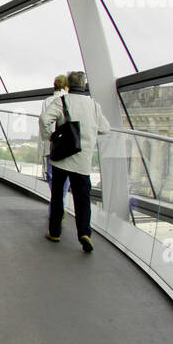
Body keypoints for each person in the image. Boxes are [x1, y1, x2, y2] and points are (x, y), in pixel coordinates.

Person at [40, 71, 110, 253]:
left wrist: (50, 136)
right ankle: (84, 233)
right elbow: (105, 128)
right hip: (83, 161)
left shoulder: (62, 101)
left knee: (57, 196)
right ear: (84, 86)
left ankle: (54, 232)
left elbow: (44, 119)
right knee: (82, 199)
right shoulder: (94, 105)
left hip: (62, 159)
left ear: (68, 87)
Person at [40, 74, 69, 188]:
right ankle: (60, 202)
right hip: (65, 144)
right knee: (65, 177)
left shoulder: (47, 101)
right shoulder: (68, 99)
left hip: (51, 144)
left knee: (52, 176)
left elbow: (43, 121)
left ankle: (55, 202)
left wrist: (48, 136)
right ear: (66, 87)